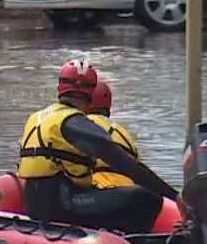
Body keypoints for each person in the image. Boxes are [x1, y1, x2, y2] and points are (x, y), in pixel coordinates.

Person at [17, 58, 178, 233]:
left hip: (34, 203)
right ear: (90, 94)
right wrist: (175, 196)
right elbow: (125, 164)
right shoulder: (74, 122)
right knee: (145, 198)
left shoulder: (37, 117)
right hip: (62, 204)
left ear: (60, 88)